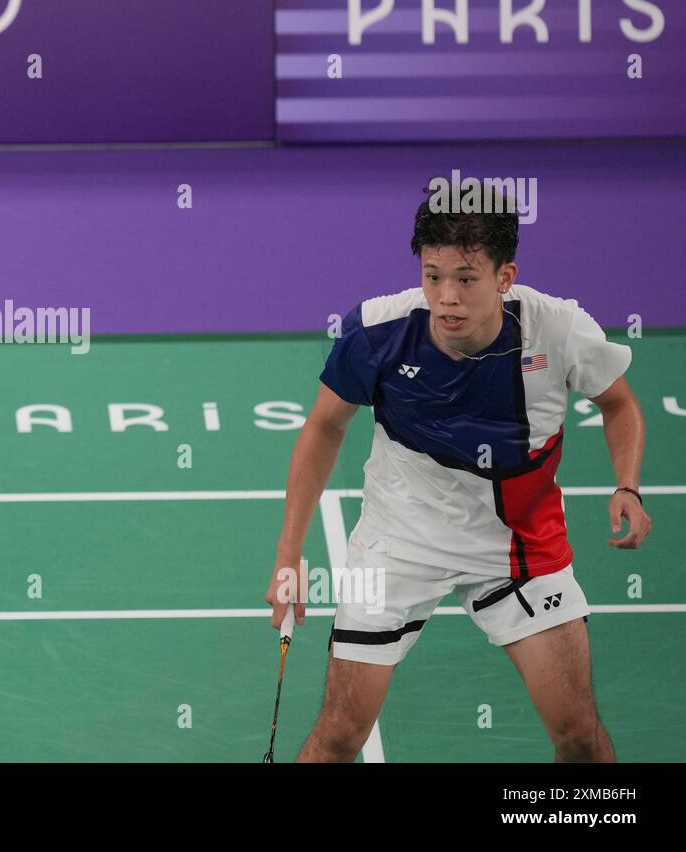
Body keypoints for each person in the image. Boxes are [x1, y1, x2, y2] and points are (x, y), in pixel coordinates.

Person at [265, 185, 651, 762]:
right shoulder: (379, 330)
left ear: (504, 276)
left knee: (579, 736)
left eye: (466, 278)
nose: (447, 296)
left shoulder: (560, 331)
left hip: (517, 546)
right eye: (433, 275)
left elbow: (620, 404)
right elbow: (323, 427)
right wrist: (288, 555)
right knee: (341, 732)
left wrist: (627, 486)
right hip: (398, 541)